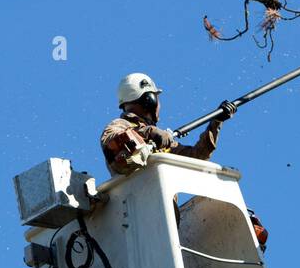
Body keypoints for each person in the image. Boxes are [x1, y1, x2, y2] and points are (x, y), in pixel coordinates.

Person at [100, 72, 268, 249]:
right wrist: (149, 133)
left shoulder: (163, 142)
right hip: (139, 215)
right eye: (156, 98)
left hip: (165, 220)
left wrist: (216, 123)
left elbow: (198, 155)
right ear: (149, 100)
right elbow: (114, 143)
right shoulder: (119, 126)